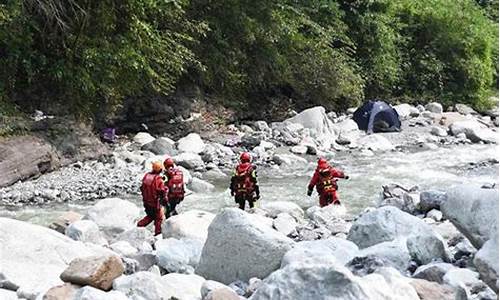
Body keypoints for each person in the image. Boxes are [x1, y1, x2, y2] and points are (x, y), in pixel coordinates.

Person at [137, 161, 167, 235]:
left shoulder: (146, 176)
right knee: (158, 218)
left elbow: (142, 188)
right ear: (160, 170)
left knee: (150, 216)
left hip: (146, 202)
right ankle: (158, 234)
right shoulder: (158, 179)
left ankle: (139, 225)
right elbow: (162, 191)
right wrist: (165, 195)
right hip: (155, 203)